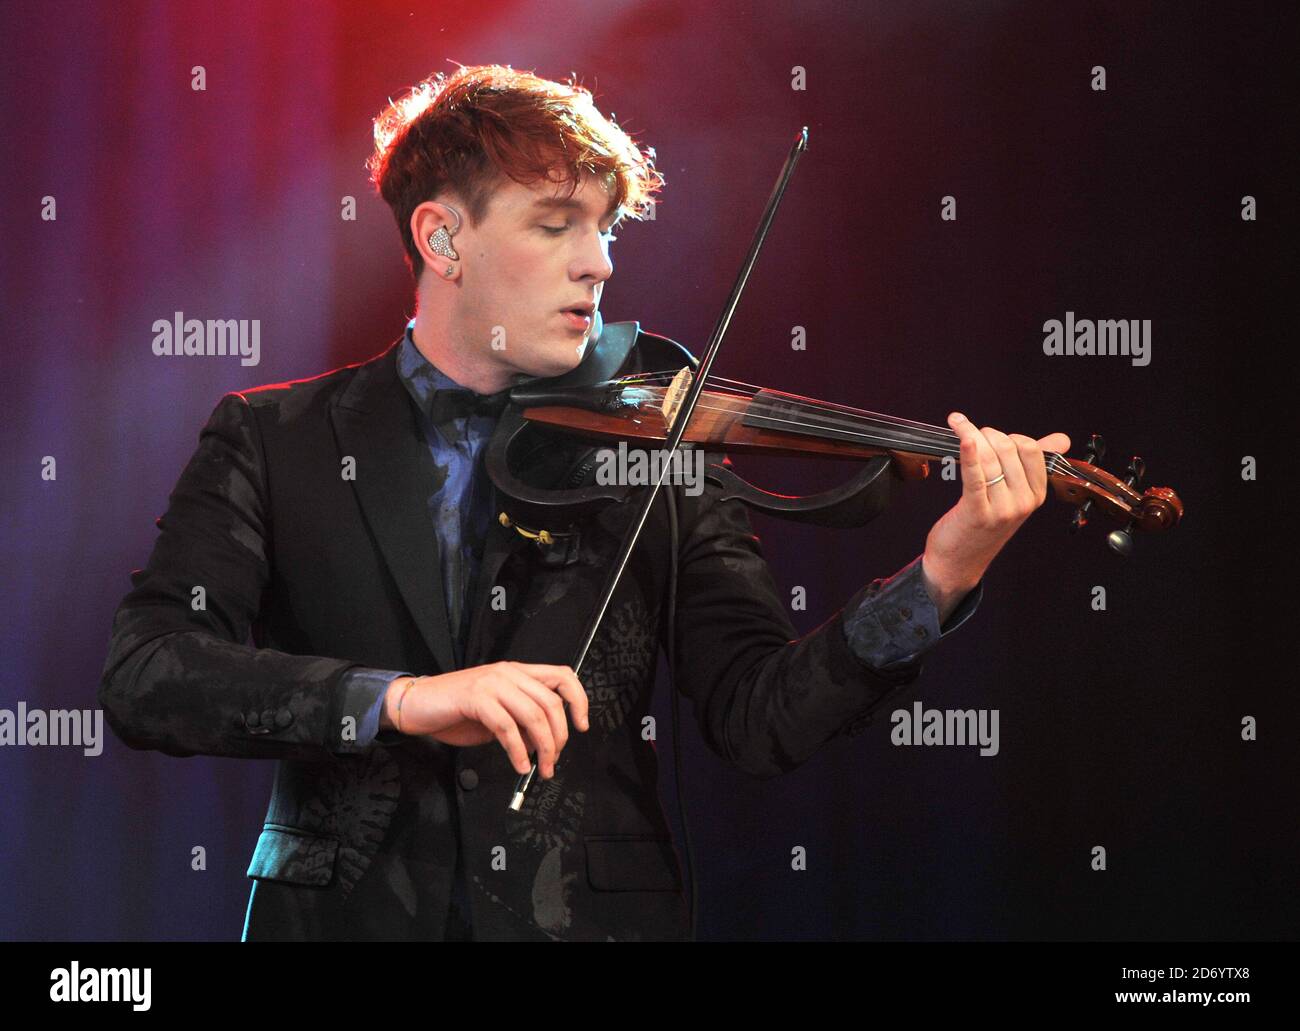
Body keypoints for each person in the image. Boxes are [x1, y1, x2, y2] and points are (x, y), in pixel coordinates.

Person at [99, 63, 1070, 941]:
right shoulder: (277, 438)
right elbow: (150, 671)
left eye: (604, 226)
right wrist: (399, 698)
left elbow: (759, 717)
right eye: (556, 222)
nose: (598, 262)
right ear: (442, 237)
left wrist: (943, 573)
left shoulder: (654, 440)